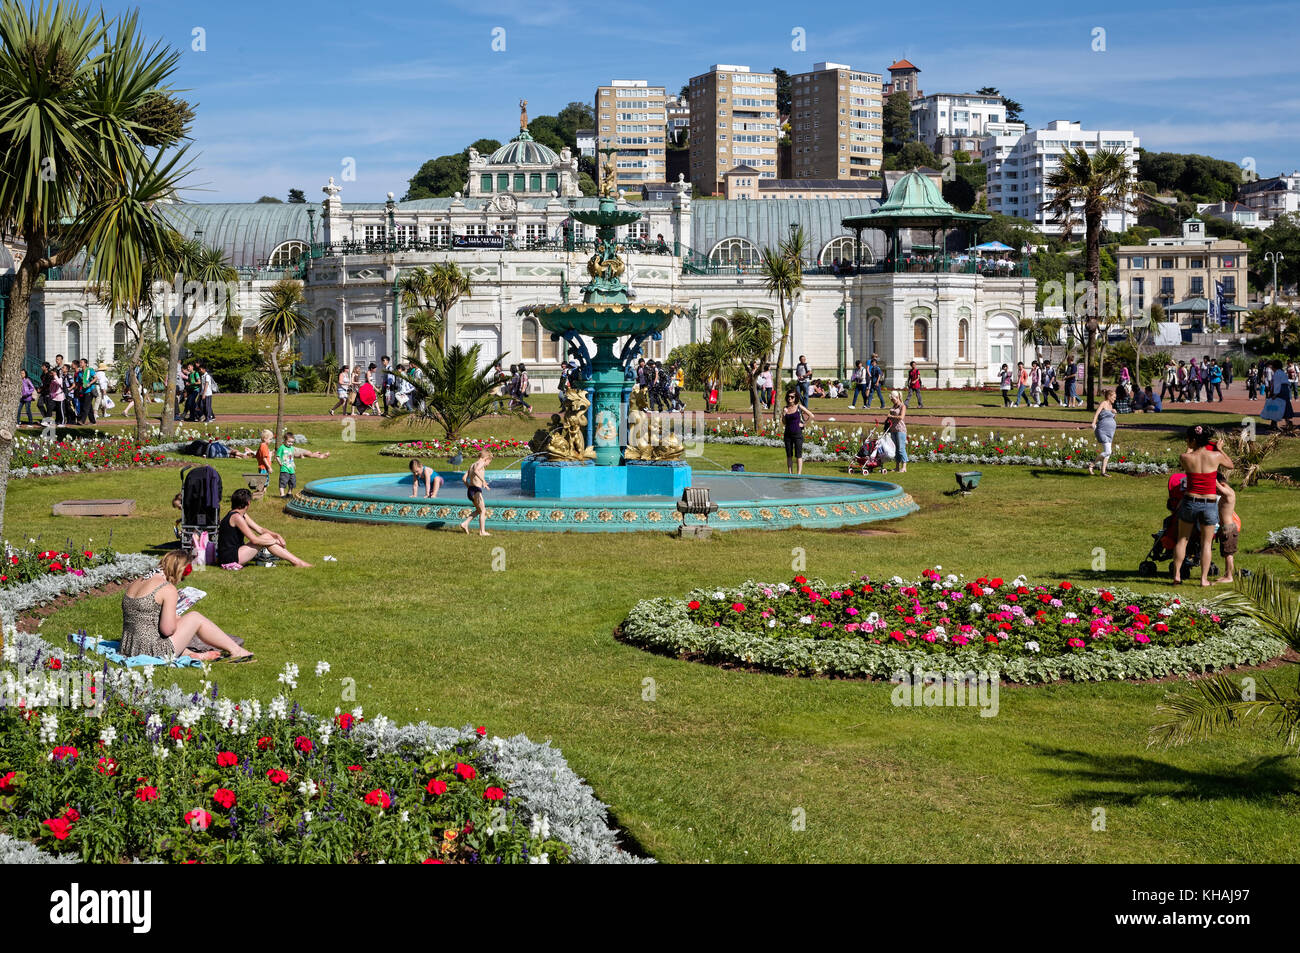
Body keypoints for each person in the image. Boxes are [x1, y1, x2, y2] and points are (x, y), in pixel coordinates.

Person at [121, 550, 253, 662]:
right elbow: (167, 630)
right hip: (151, 650)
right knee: (195, 617)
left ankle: (194, 655)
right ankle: (236, 650)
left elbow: (145, 617)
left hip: (129, 646)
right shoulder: (167, 588)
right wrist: (177, 620)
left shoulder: (137, 581)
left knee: (184, 621)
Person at [1170, 426, 1234, 587]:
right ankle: (1203, 579)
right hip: (1209, 503)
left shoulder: (1185, 457)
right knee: (1206, 543)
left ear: (1193, 440)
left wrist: (1191, 446)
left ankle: (1177, 575)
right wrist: (1220, 450)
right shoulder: (1216, 456)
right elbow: (1230, 465)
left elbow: (1190, 455)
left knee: (1182, 540)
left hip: (1190, 501)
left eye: (1188, 439)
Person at [217, 488, 311, 568]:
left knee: (267, 536)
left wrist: (276, 535)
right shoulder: (237, 517)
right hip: (229, 558)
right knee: (266, 538)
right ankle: (297, 562)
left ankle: (296, 561)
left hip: (233, 553)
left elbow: (260, 530)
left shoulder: (241, 514)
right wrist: (274, 541)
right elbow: (254, 540)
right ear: (248, 503)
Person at [275, 431, 329, 496]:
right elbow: (277, 456)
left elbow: (291, 457)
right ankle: (282, 494)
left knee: (292, 482)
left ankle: (289, 493)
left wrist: (294, 463)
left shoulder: (291, 448)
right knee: (283, 482)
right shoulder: (282, 448)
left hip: (291, 469)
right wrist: (280, 463)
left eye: (292, 442)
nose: (290, 443)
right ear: (285, 440)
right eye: (289, 442)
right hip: (285, 469)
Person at [459, 448, 493, 536]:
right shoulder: (480, 463)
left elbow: (463, 478)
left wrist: (469, 487)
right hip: (476, 490)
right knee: (483, 511)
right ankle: (482, 532)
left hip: (470, 490)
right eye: (489, 462)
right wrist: (484, 481)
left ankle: (465, 523)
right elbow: (476, 470)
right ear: (486, 458)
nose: (488, 464)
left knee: (478, 510)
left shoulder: (472, 465)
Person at [782, 389, 814, 475]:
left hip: (797, 434)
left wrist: (804, 424)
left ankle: (798, 474)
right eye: (788, 396)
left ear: (795, 398)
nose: (790, 398)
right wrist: (784, 414)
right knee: (789, 455)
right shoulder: (785, 408)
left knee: (798, 455)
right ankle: (790, 473)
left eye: (792, 397)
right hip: (787, 434)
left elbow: (811, 415)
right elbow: (784, 422)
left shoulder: (799, 407)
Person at [1088, 388, 1117, 477]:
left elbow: (1111, 418)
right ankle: (1092, 463)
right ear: (1109, 396)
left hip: (1110, 432)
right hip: (1102, 430)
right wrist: (1093, 422)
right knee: (1108, 451)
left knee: (1108, 452)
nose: (1115, 399)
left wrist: (1114, 413)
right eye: (1114, 397)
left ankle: (1103, 472)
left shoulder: (1111, 406)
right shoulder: (1103, 403)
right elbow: (1097, 413)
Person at [885, 389, 909, 474]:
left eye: (893, 399)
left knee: (901, 448)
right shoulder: (894, 406)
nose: (892, 401)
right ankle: (897, 467)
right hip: (893, 429)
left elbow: (901, 417)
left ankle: (904, 467)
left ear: (897, 397)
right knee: (895, 449)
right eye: (891, 399)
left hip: (900, 429)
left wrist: (891, 416)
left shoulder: (902, 406)